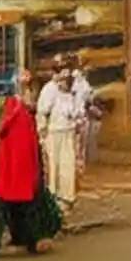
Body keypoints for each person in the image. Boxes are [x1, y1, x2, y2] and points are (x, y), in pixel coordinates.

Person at [0, 95, 60, 255]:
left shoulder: (7, 120)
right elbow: (32, 149)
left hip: (7, 175)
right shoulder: (26, 120)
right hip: (25, 174)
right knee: (28, 210)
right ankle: (30, 241)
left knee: (0, 208)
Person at [38, 69, 80, 210]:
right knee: (53, 164)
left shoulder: (72, 89)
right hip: (53, 131)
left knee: (68, 164)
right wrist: (42, 129)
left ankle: (67, 196)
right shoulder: (49, 89)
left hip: (68, 130)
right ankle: (53, 196)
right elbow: (43, 110)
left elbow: (76, 111)